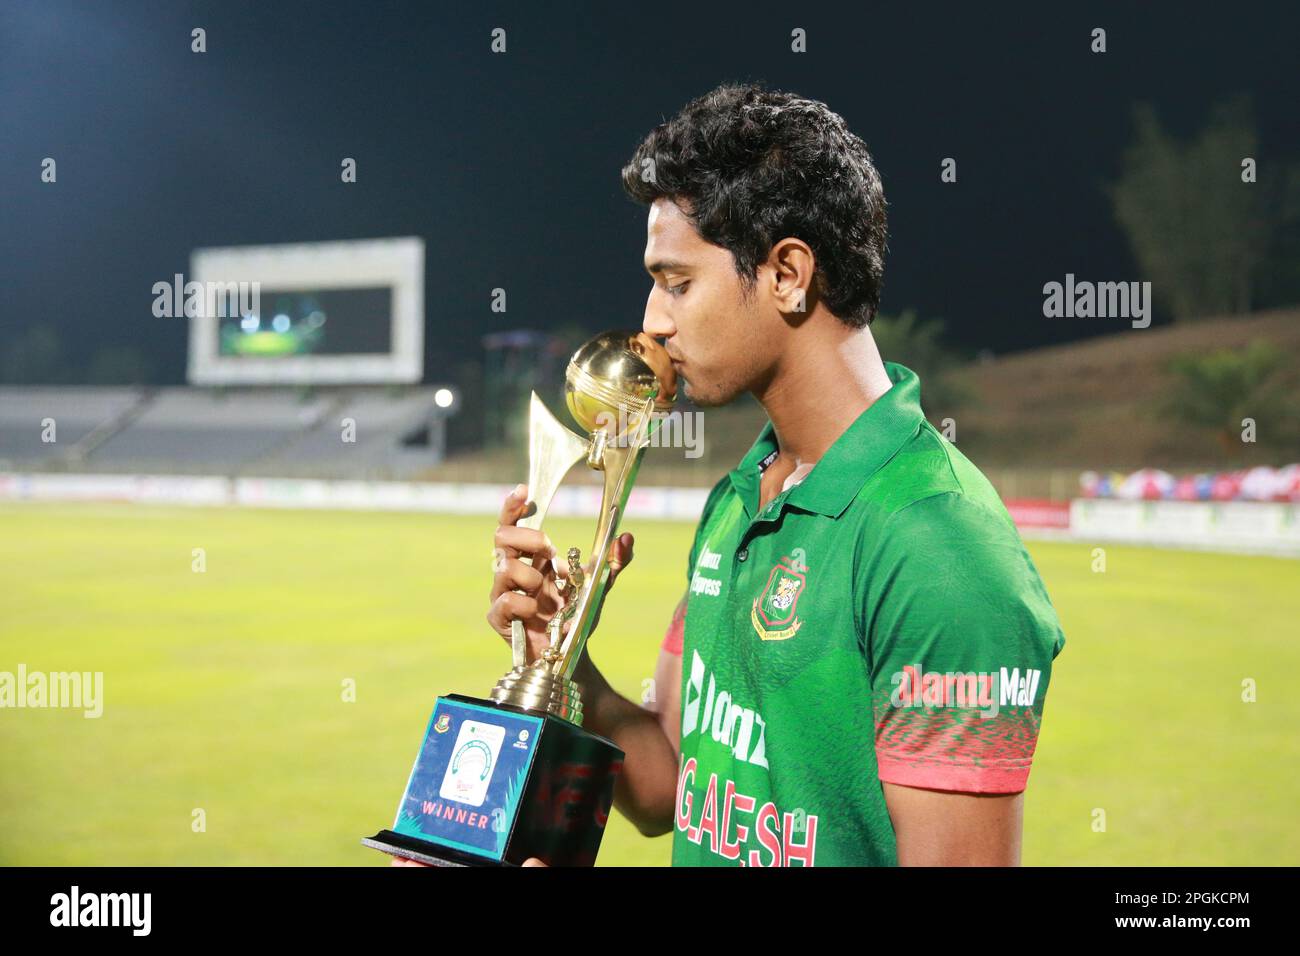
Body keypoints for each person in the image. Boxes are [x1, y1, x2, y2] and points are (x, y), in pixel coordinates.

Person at [414, 82, 1065, 867]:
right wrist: (568, 658)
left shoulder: (936, 540)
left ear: (788, 272)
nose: (653, 320)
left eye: (678, 281)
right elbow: (668, 784)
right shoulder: (737, 499)